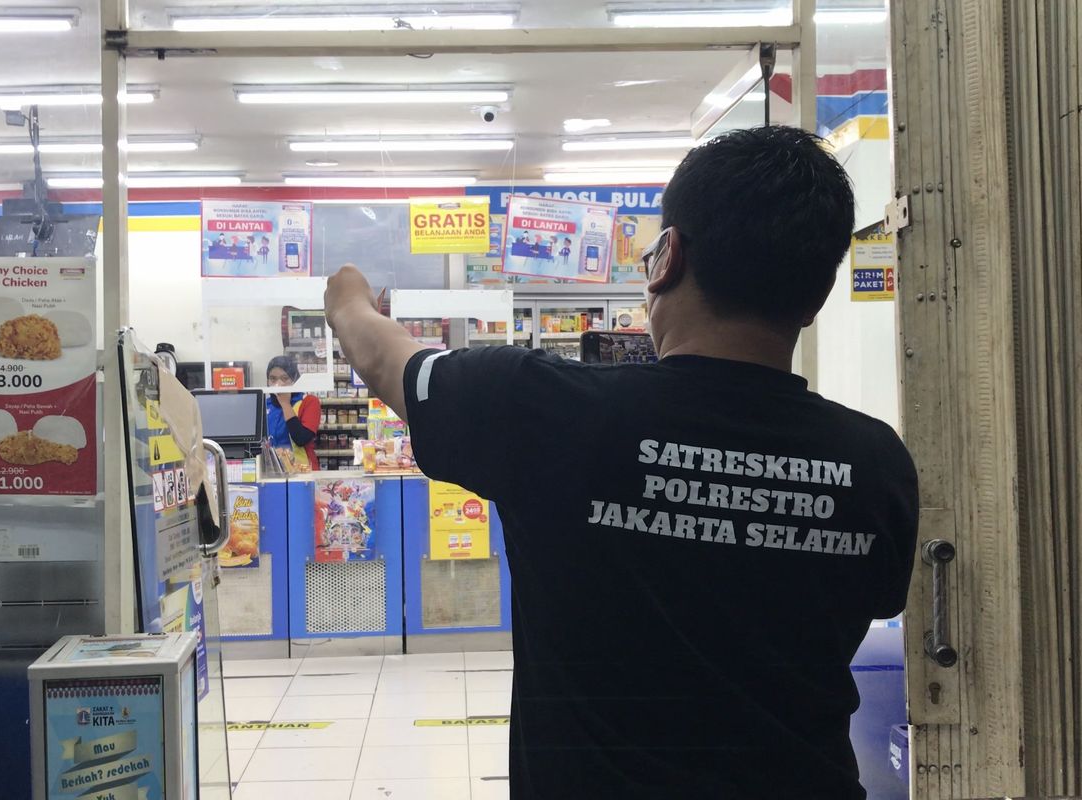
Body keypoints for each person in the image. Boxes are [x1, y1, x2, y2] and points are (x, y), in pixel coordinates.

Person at [323, 126, 918, 800]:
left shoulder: (541, 408)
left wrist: (346, 293)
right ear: (817, 293)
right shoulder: (876, 466)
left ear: (667, 257)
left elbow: (382, 357)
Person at [264, 355, 321, 471]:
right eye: (273, 379)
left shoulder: (309, 402)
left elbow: (301, 439)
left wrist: (285, 404)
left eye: (284, 378)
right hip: (272, 472)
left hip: (303, 472)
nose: (278, 384)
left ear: (294, 379)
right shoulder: (265, 405)